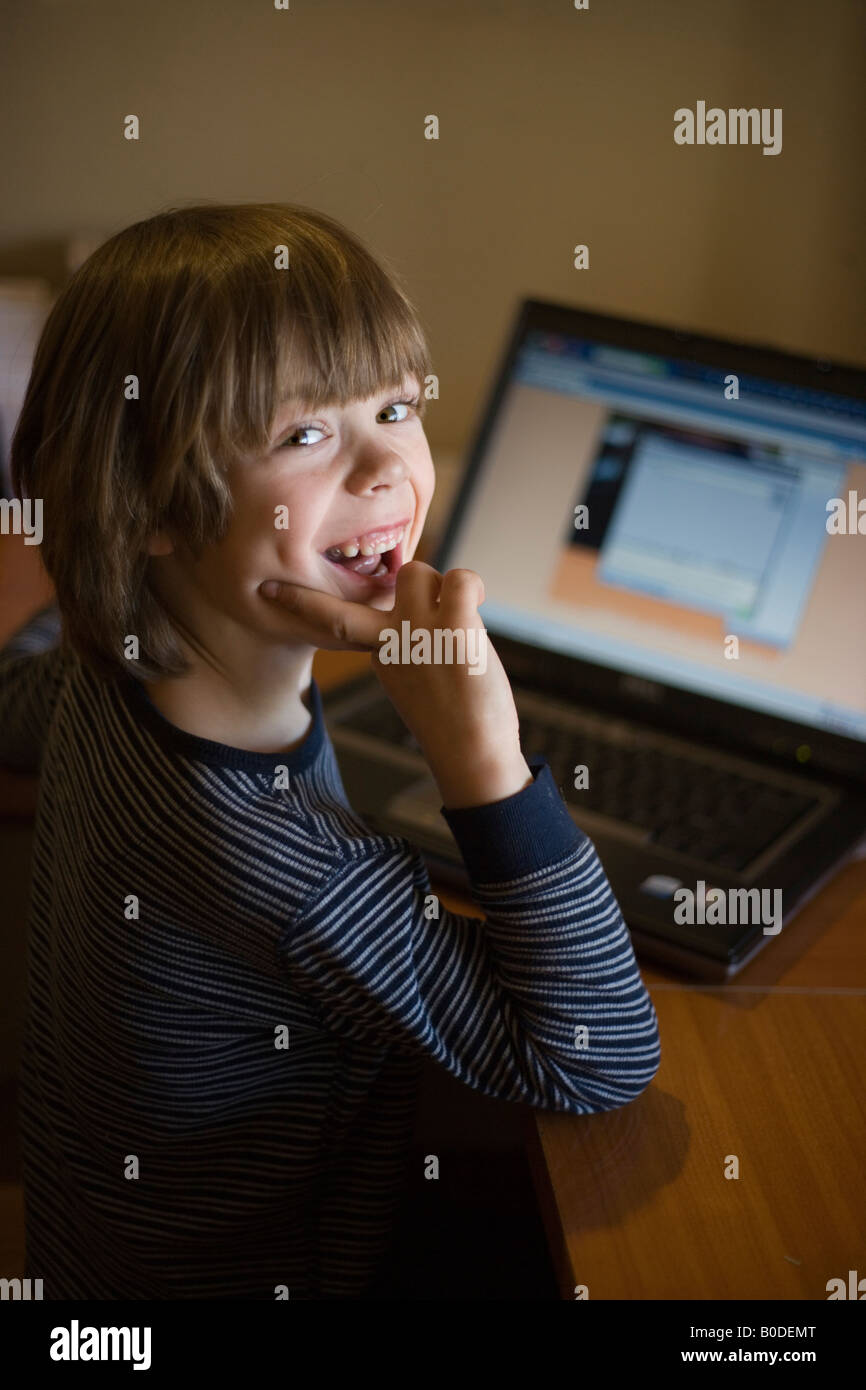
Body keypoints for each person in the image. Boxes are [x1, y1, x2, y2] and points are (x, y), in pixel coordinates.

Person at [1, 201, 660, 1299]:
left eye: (396, 407)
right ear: (147, 500)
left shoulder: (98, 675)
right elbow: (595, 1055)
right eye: (303, 434)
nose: (387, 467)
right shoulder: (295, 870)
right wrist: (481, 758)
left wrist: (93, 562)